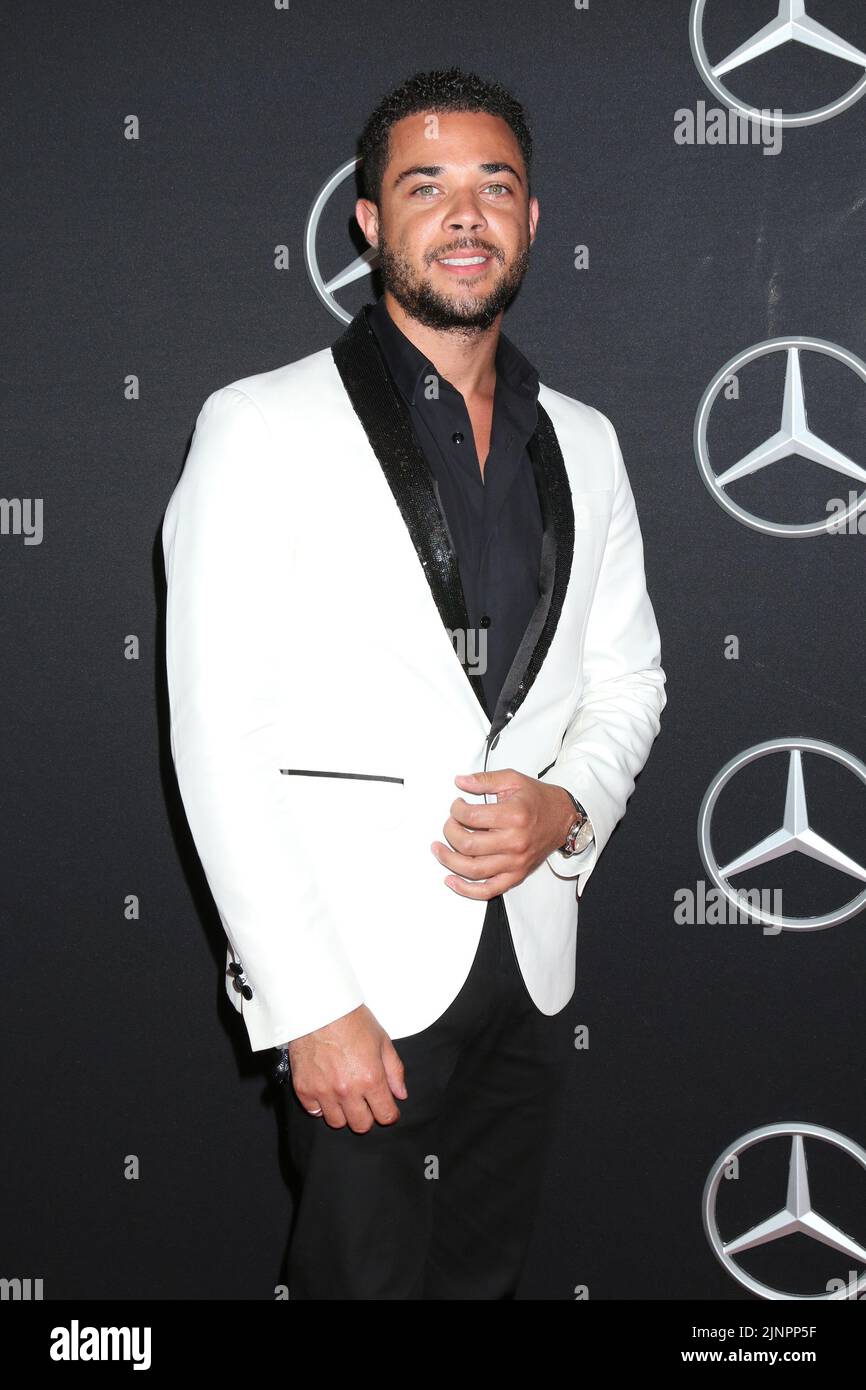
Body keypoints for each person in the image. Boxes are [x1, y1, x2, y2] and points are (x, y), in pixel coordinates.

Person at [161, 66, 667, 1300]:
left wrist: (568, 808)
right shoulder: (259, 424)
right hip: (357, 987)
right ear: (368, 221)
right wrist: (306, 1000)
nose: (464, 214)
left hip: (530, 966)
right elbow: (218, 737)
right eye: (424, 186)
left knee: (482, 1282)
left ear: (532, 221)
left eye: (494, 187)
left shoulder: (587, 443)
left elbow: (629, 680)